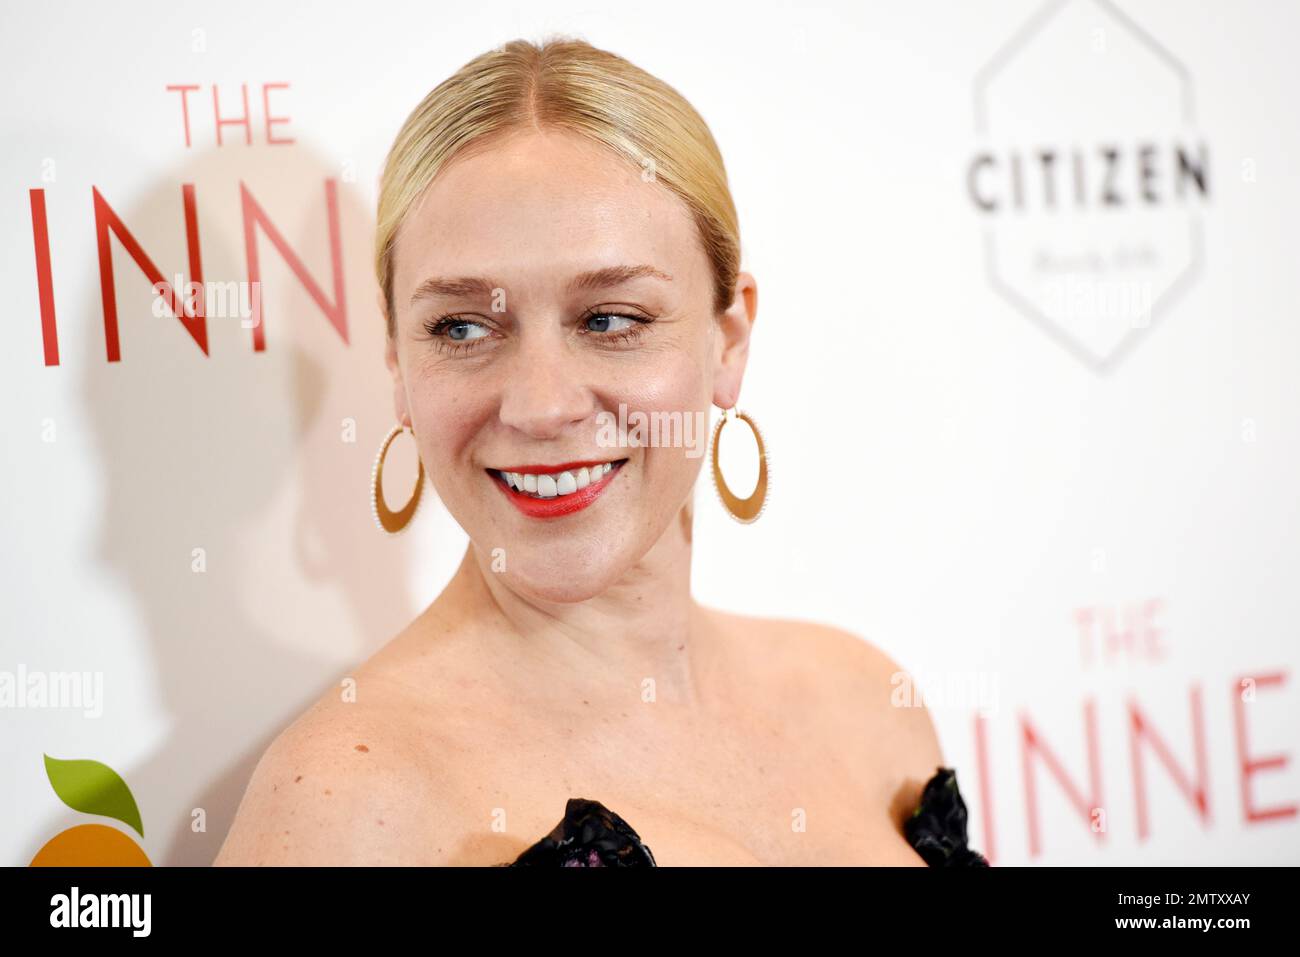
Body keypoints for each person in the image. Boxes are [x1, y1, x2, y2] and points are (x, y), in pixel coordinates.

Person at [214, 35, 986, 867]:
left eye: (611, 318)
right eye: (462, 327)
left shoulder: (865, 699)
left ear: (729, 340)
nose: (542, 405)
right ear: (399, 363)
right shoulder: (349, 802)